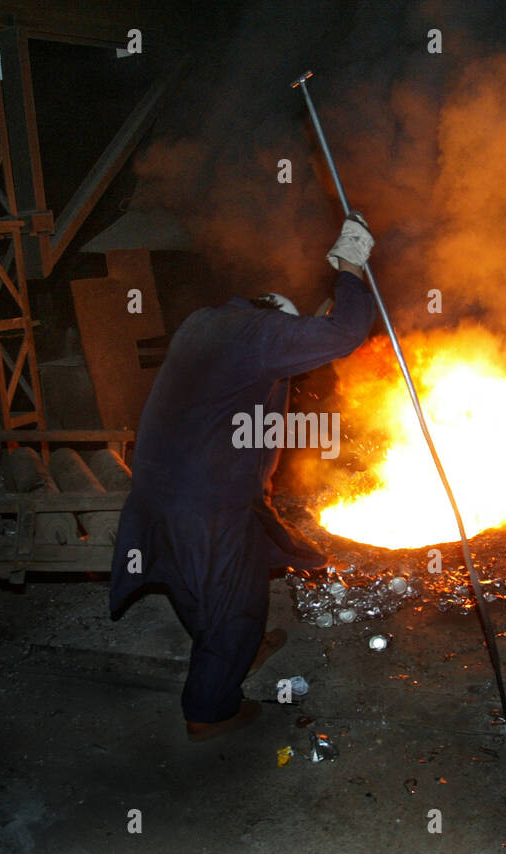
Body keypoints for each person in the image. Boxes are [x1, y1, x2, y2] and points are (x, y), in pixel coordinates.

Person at [108, 214, 377, 741]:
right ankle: (209, 710)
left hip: (156, 492)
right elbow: (344, 332)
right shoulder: (261, 336)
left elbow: (285, 356)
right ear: (275, 321)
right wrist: (350, 266)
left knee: (195, 583)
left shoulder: (204, 323)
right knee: (238, 599)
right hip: (208, 502)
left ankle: (237, 652)